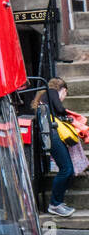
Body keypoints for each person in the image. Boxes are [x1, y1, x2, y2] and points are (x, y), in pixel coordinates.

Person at [34, 77, 78, 218]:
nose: (63, 98)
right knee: (66, 169)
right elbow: (60, 109)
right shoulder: (52, 92)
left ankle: (58, 202)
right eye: (65, 94)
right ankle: (55, 204)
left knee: (68, 170)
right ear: (63, 90)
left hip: (50, 135)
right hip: (53, 135)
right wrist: (68, 114)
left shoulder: (46, 95)